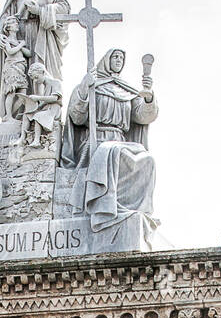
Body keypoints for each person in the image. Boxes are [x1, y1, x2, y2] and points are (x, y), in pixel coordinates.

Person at [61, 48, 158, 238]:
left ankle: (137, 212)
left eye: (122, 57)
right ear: (106, 60)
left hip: (120, 141)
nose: (119, 60)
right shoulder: (93, 86)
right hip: (95, 142)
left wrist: (148, 98)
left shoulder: (127, 91)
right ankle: (105, 209)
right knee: (110, 151)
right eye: (115, 56)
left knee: (148, 160)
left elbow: (142, 116)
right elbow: (77, 117)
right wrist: (83, 88)